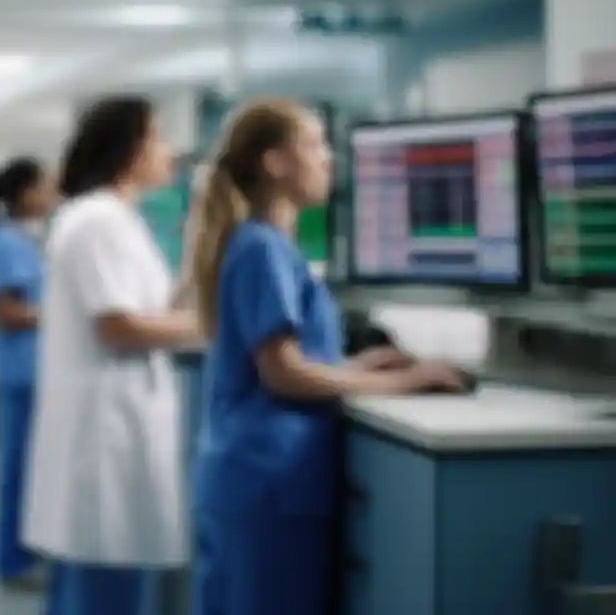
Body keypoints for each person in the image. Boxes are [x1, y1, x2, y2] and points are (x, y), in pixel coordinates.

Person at [188, 99, 467, 615]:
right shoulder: (262, 247)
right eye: (314, 145)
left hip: (255, 476)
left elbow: (284, 358)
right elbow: (283, 373)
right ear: (275, 163)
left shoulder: (260, 244)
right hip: (271, 480)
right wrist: (404, 383)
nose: (328, 158)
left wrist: (353, 369)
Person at [23, 96, 200, 615]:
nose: (170, 152)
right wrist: (209, 328)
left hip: (114, 420)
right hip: (107, 429)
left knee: (96, 576)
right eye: (160, 139)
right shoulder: (97, 219)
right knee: (103, 577)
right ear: (131, 150)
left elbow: (154, 306)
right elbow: (118, 324)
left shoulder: (116, 219)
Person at [0, 158, 54, 588]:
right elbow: (8, 312)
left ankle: (24, 556)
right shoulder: (7, 241)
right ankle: (11, 561)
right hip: (21, 370)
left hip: (34, 368)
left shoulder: (25, 239)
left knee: (26, 468)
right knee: (16, 470)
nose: (50, 195)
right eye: (43, 187)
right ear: (24, 193)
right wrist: (63, 315)